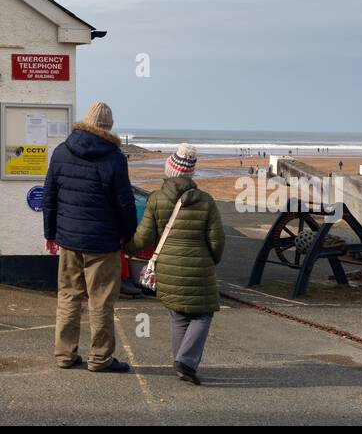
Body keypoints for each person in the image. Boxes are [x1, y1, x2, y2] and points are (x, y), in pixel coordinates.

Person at [42, 101, 137, 373]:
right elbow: (125, 203)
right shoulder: (115, 158)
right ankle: (100, 358)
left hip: (69, 239)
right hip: (103, 242)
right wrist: (127, 235)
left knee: (69, 296)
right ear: (108, 127)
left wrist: (50, 233)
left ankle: (64, 354)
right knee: (101, 300)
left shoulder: (61, 152)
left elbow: (49, 197)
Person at [125, 143, 225, 385]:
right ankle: (186, 362)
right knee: (202, 314)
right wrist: (211, 260)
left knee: (178, 315)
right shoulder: (205, 200)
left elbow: (144, 237)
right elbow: (217, 240)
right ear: (190, 173)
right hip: (199, 268)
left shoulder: (156, 199)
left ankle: (181, 362)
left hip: (167, 268)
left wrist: (125, 250)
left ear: (169, 170)